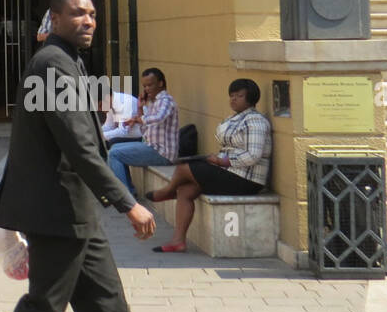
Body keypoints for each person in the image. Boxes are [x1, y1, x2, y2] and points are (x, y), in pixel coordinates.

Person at [0, 0, 155, 312]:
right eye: (78, 13)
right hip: (57, 214)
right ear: (56, 19)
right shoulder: (52, 66)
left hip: (79, 214)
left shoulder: (69, 62)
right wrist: (127, 203)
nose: (88, 21)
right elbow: (79, 146)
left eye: (92, 14)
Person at [145, 78, 271, 253]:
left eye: (239, 96)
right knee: (185, 190)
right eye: (232, 96)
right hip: (230, 171)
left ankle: (167, 191)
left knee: (183, 169)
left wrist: (222, 161)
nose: (234, 99)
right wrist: (216, 158)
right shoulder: (235, 118)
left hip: (246, 179)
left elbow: (253, 156)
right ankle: (178, 241)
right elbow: (229, 147)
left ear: (251, 98)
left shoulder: (255, 121)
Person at [106, 67, 177, 196]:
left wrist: (139, 119)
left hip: (162, 153)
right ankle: (129, 191)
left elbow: (158, 118)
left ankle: (125, 195)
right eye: (145, 86)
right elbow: (145, 130)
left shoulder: (166, 101)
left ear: (161, 83)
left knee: (114, 154)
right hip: (151, 147)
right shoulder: (153, 103)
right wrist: (140, 108)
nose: (146, 89)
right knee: (115, 147)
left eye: (150, 85)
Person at [98, 83, 140, 148]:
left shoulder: (126, 102)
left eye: (100, 106)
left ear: (107, 98)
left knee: (111, 142)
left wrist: (99, 136)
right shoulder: (110, 104)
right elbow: (109, 126)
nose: (100, 110)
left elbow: (123, 132)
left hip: (140, 137)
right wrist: (95, 132)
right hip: (128, 136)